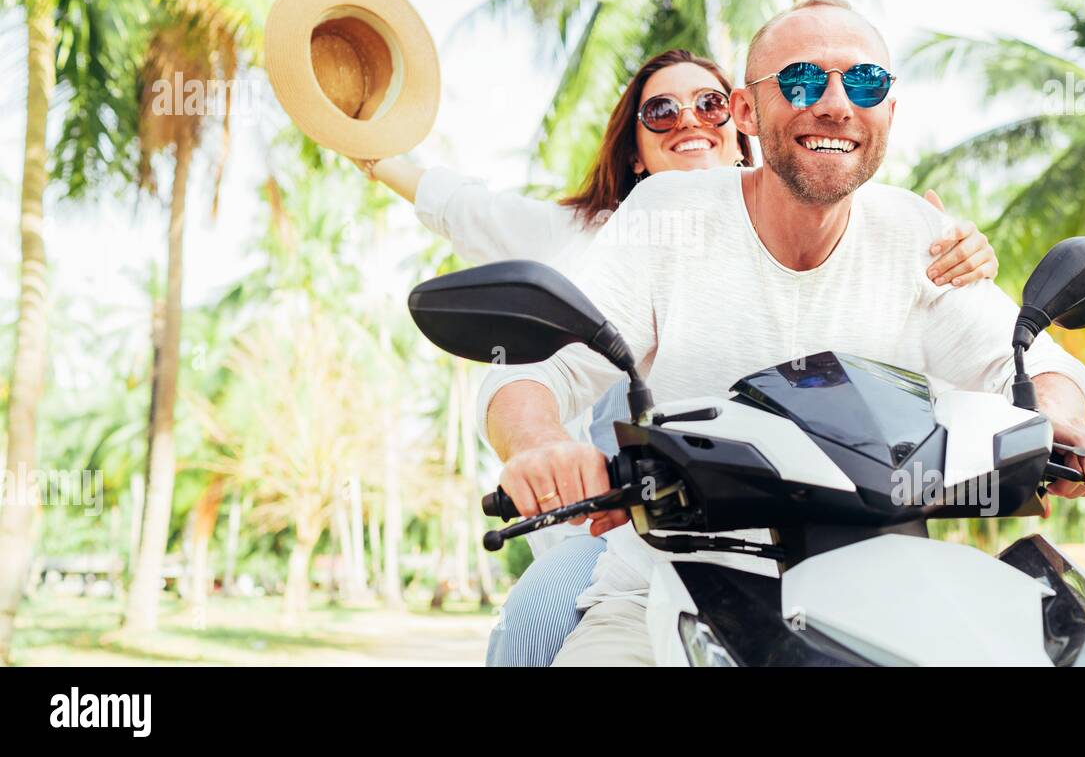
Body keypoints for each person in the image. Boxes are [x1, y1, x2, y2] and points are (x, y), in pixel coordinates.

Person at [477, 0, 1085, 667]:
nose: (836, 103)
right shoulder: (666, 216)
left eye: (864, 83)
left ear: (889, 112)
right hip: (663, 592)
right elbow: (532, 363)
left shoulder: (915, 234)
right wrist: (542, 444)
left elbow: (1037, 365)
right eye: (803, 80)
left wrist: (1057, 423)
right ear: (748, 113)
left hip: (887, 601)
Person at [357, 48, 1000, 666]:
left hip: (832, 546)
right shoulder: (594, 232)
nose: (689, 120)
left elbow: (950, 355)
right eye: (661, 112)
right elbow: (469, 221)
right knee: (533, 622)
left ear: (743, 122)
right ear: (634, 151)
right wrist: (360, 138)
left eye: (710, 104)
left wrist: (961, 260)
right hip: (621, 530)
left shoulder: (860, 221)